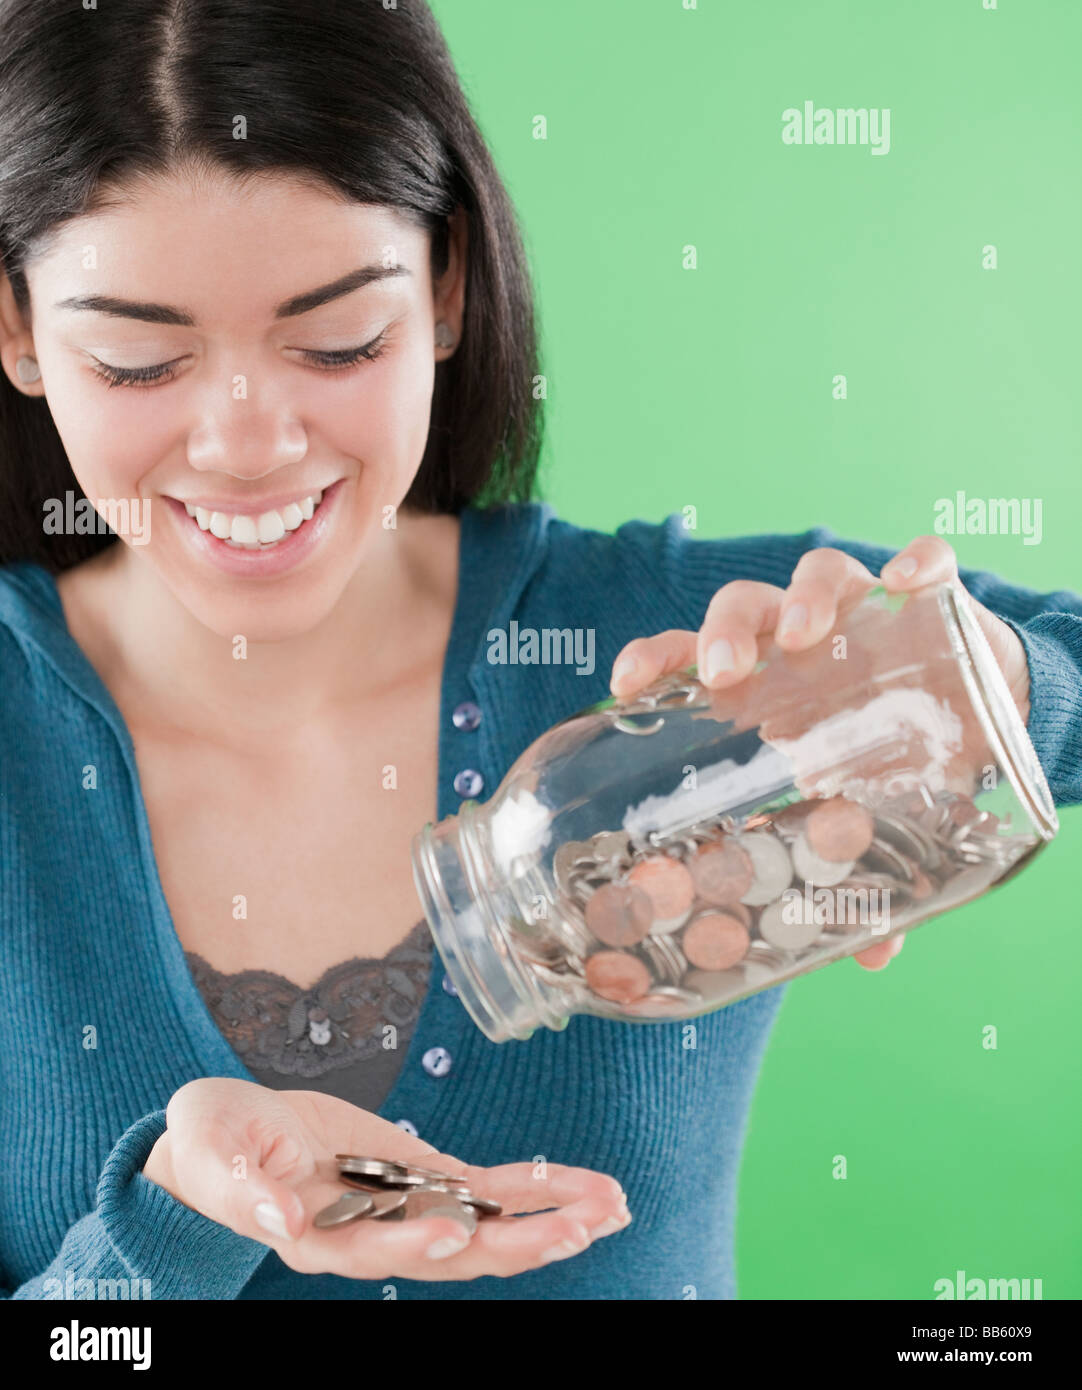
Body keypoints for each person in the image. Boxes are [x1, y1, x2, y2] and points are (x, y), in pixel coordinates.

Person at [1, 0, 1079, 1301]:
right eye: (137, 359)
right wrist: (169, 1222)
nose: (246, 443)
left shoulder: (671, 651)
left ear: (447, 284)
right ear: (16, 328)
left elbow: (1041, 679)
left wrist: (996, 694)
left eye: (337, 339)